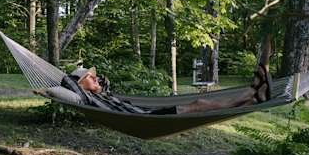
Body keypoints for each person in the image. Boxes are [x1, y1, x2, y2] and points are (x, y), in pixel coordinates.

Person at [38, 64, 272, 115]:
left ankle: (253, 96)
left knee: (198, 103)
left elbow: (106, 82)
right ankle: (253, 94)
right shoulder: (83, 97)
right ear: (79, 82)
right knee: (199, 105)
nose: (97, 78)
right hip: (142, 118)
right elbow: (65, 82)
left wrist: (96, 81)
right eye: (91, 76)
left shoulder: (101, 93)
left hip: (142, 114)